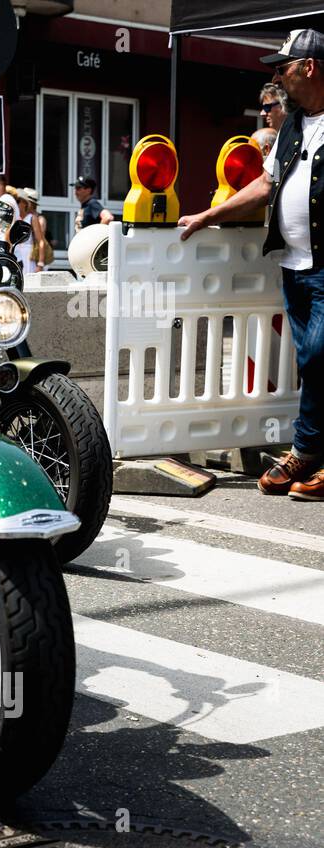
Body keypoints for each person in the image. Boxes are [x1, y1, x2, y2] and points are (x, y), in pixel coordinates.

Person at [179, 29, 324, 501]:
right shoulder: (294, 126)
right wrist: (208, 214)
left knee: (322, 356)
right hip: (294, 262)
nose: (276, 77)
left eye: (282, 67)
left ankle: (307, 450)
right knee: (312, 361)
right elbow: (265, 186)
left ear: (310, 67)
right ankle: (308, 452)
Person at [15, 187, 49, 274]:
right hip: (17, 254)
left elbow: (40, 241)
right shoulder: (15, 217)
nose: (15, 204)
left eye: (18, 201)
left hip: (29, 256)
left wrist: (40, 263)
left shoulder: (35, 218)